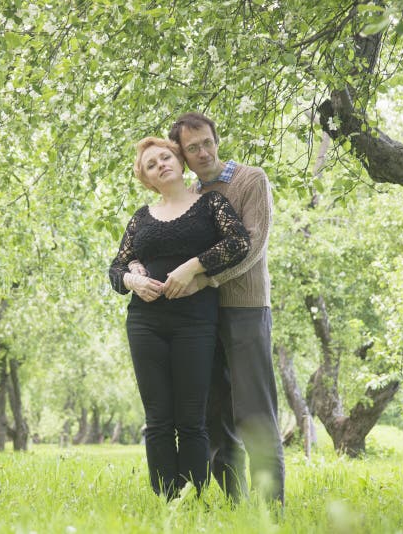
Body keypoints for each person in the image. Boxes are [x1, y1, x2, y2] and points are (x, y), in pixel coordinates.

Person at [131, 113, 286, 504]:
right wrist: (137, 271)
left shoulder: (251, 179)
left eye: (206, 142)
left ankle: (271, 507)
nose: (202, 152)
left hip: (245, 307)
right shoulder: (192, 194)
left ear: (217, 139)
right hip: (199, 316)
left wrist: (204, 279)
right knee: (214, 415)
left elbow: (252, 246)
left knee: (254, 411)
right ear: (181, 154)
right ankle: (236, 501)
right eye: (191, 147)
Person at [109, 136, 250, 499]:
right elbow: (116, 268)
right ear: (147, 179)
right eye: (152, 165)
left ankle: (192, 500)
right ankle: (166, 502)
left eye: (166, 157)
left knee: (192, 419)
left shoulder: (210, 204)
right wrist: (133, 280)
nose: (161, 165)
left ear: (180, 161)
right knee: (158, 420)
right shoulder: (141, 218)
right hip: (145, 322)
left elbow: (238, 243)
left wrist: (193, 267)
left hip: (196, 320)